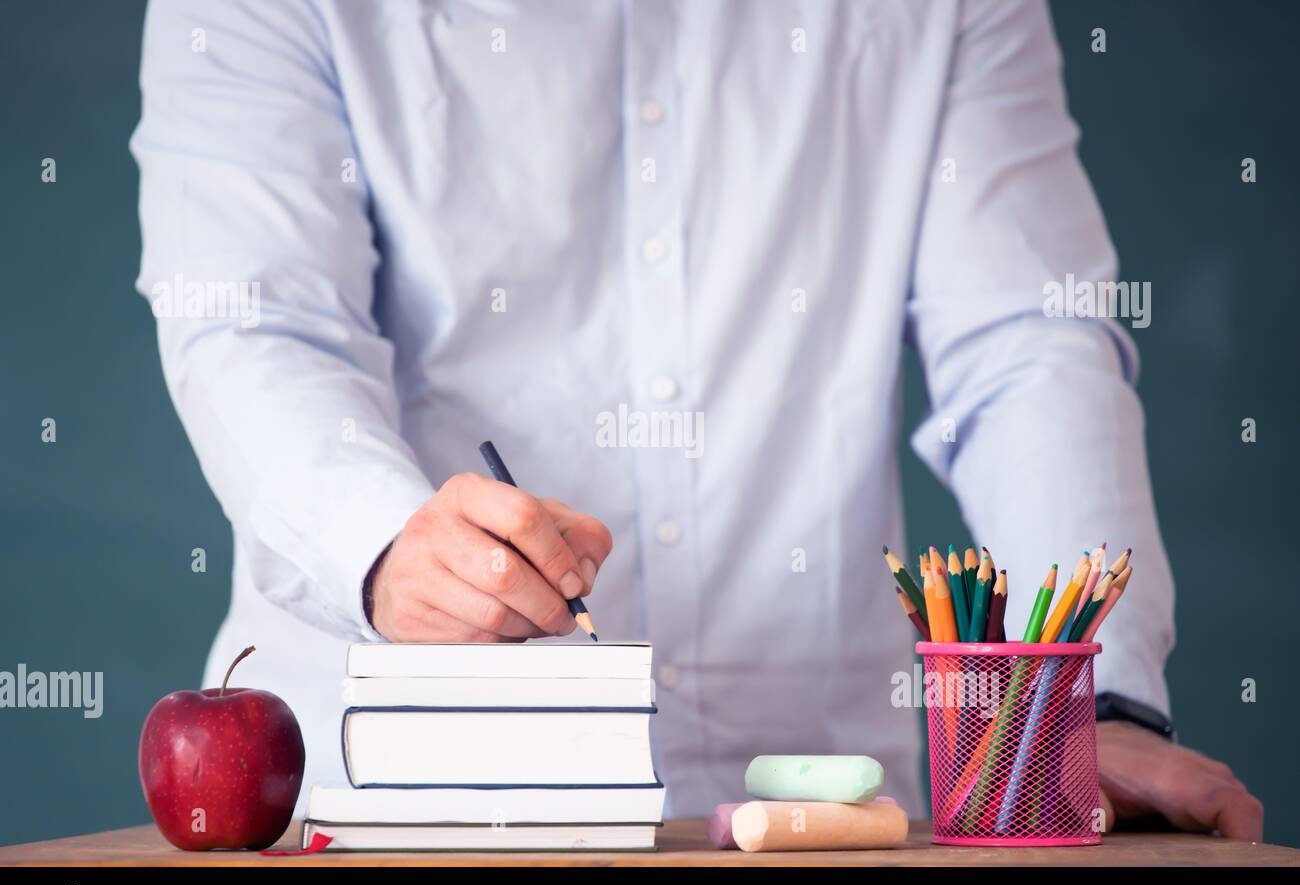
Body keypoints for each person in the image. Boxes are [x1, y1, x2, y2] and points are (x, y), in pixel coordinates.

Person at [131, 0, 1261, 837]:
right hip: (404, 806)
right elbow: (255, 321)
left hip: (824, 814)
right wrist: (382, 542)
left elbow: (1026, 344)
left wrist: (1094, 697)